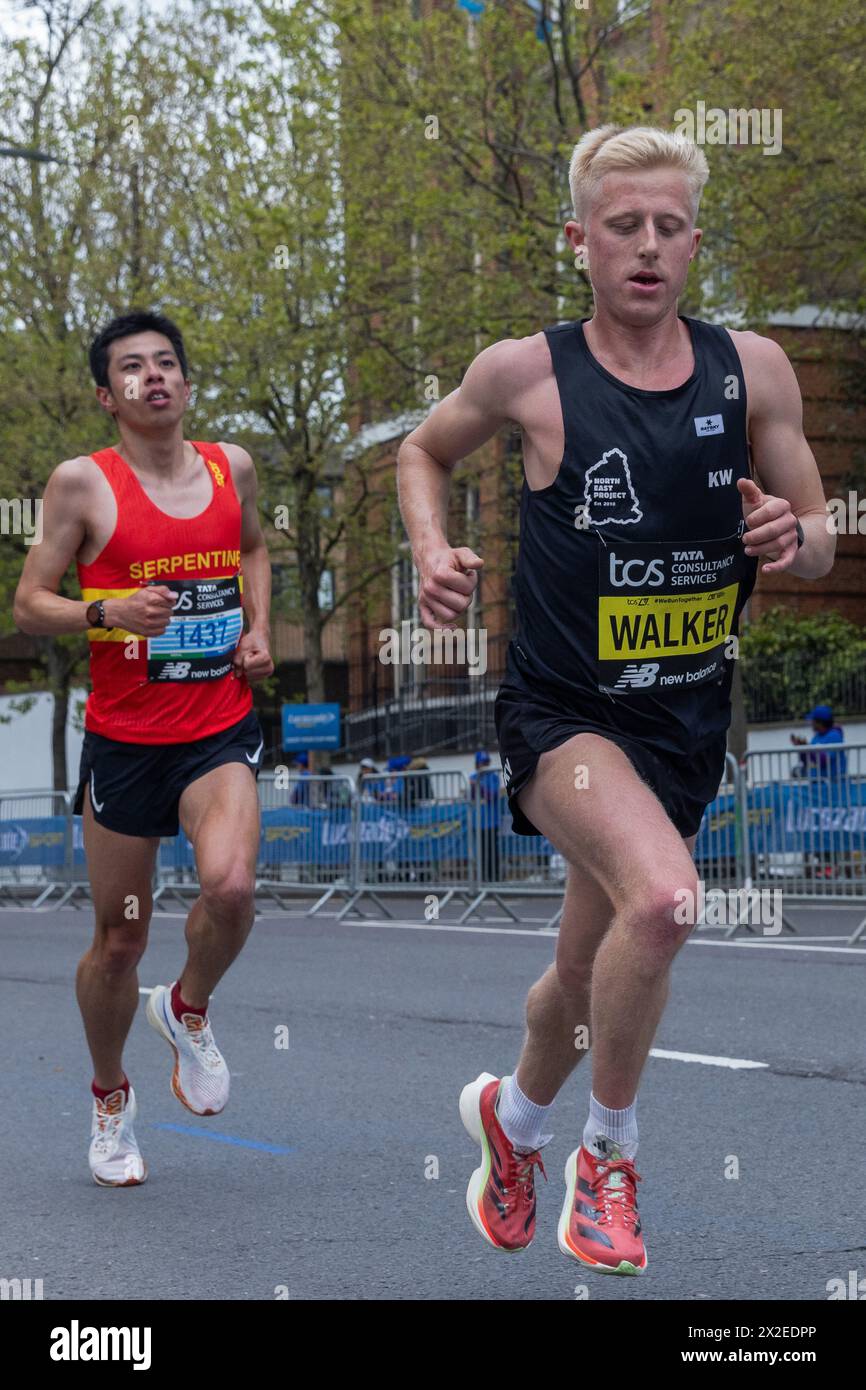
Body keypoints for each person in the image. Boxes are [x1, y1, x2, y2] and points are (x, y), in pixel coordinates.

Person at [397, 124, 834, 1274]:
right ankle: (608, 1155)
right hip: (564, 718)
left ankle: (513, 1117)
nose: (646, 246)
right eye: (622, 225)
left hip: (683, 724)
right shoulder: (526, 373)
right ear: (577, 238)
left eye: (669, 226)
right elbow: (419, 450)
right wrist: (432, 550)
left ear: (694, 240)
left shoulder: (755, 371)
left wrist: (794, 536)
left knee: (584, 976)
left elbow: (827, 544)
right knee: (666, 903)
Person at [13, 310, 274, 1187]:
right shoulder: (82, 485)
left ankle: (189, 1007)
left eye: (167, 363)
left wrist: (259, 630)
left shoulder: (230, 466)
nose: (154, 376)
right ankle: (110, 1097)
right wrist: (108, 611)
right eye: (133, 368)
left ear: (187, 383)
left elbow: (255, 551)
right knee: (120, 943)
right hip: (126, 742)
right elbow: (28, 603)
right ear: (107, 394)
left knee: (232, 890)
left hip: (217, 729)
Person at [469, 750, 502, 883]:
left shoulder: (493, 777)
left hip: (491, 821)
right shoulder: (473, 777)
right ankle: (483, 878)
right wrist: (473, 787)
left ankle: (494, 877)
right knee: (481, 851)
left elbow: (491, 796)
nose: (484, 765)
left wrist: (478, 786)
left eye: (486, 762)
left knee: (492, 850)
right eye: (482, 763)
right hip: (478, 821)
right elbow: (471, 798)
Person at [790, 703, 847, 781]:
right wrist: (801, 748)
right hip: (818, 783)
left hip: (834, 784)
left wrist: (808, 748)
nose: (811, 723)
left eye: (812, 721)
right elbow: (807, 761)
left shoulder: (834, 736)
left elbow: (823, 760)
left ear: (820, 722)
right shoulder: (817, 737)